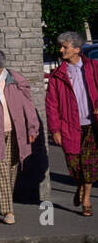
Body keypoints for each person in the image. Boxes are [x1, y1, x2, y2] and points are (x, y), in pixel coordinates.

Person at [0, 48, 40, 225]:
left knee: (12, 168)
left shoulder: (15, 80)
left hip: (15, 132)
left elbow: (28, 106)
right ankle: (8, 210)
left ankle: (4, 198)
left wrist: (32, 128)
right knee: (1, 169)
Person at [45, 31, 98, 217]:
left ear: (76, 49)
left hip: (93, 124)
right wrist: (55, 130)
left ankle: (86, 199)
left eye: (64, 47)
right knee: (75, 165)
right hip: (69, 126)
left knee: (90, 164)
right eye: (61, 46)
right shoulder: (57, 76)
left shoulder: (93, 67)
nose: (61, 50)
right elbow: (51, 106)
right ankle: (80, 186)